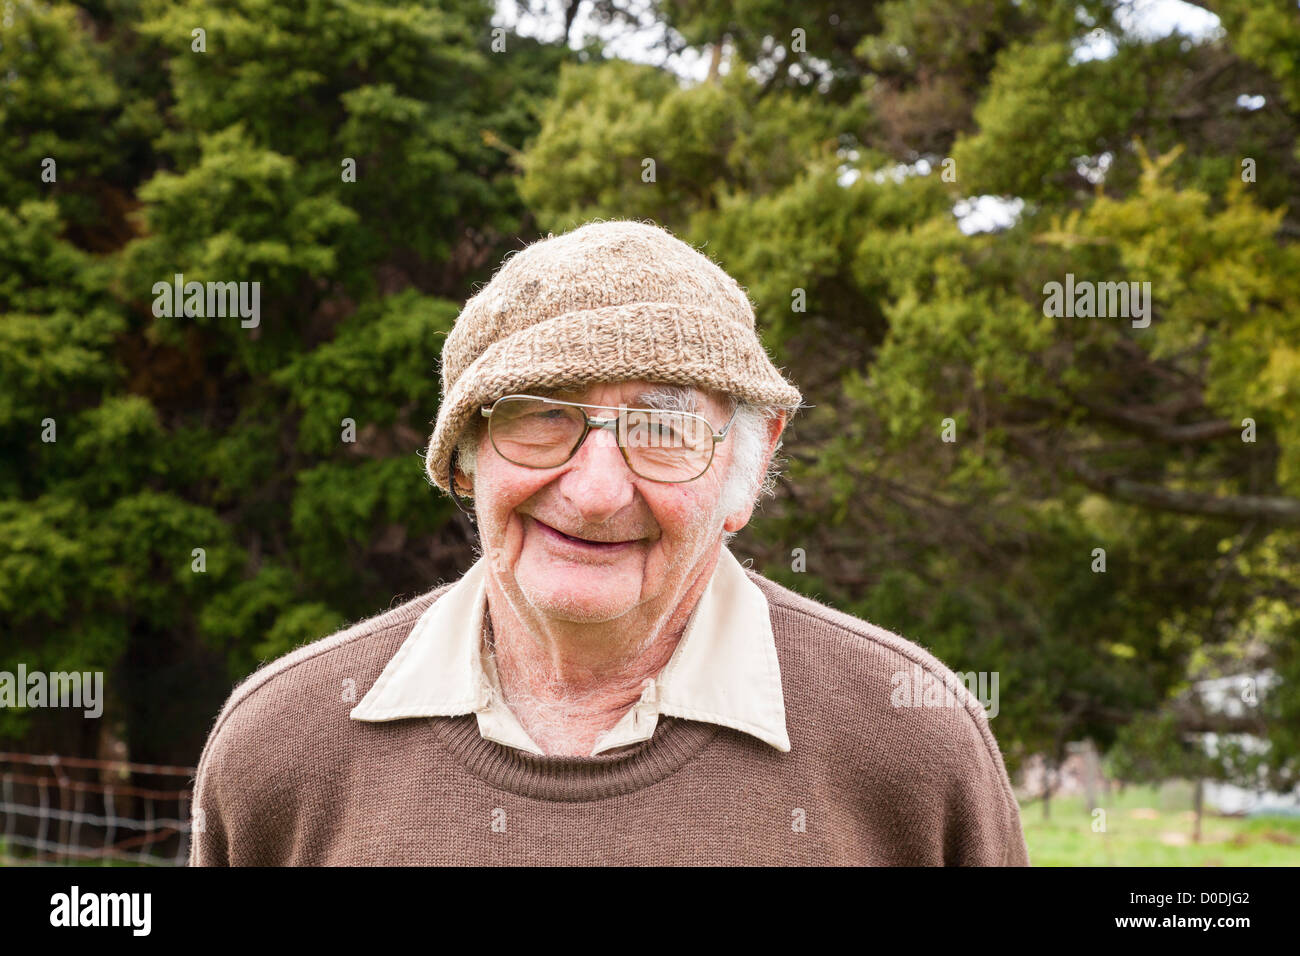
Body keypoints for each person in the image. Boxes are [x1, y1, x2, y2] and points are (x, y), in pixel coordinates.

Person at [190, 219, 1029, 865]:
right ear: (466, 453)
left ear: (748, 463)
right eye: (541, 415)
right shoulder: (280, 750)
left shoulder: (911, 741)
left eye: (661, 427)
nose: (595, 493)